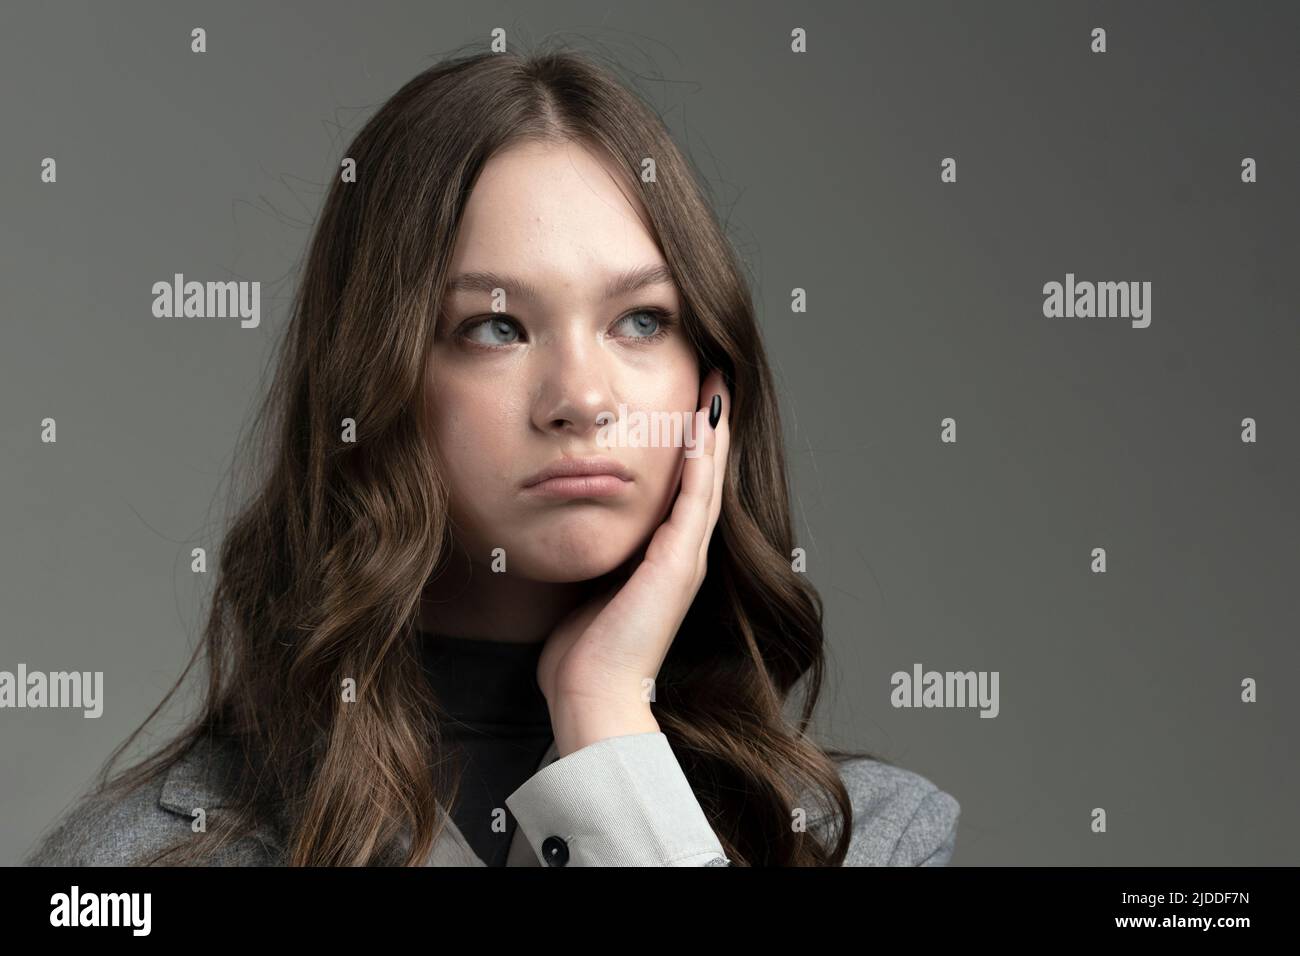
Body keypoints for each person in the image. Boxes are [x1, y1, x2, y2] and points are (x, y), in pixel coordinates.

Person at [24, 43, 959, 867]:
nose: (583, 400)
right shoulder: (139, 865)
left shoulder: (868, 840)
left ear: (708, 383)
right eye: (496, 327)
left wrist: (609, 730)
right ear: (376, 382)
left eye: (641, 320)